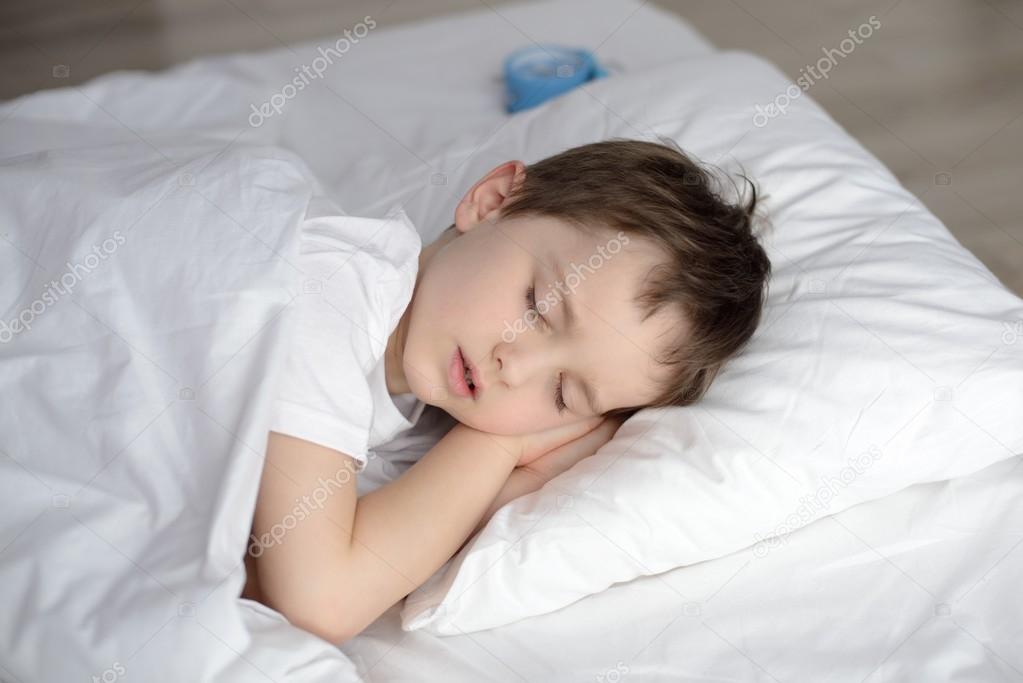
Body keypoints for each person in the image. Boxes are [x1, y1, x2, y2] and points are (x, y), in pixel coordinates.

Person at [241, 138, 772, 644]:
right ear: (492, 201)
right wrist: (499, 446)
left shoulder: (418, 426)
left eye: (563, 394)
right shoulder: (332, 284)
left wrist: (511, 454)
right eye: (538, 307)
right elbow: (318, 603)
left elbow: (256, 579)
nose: (515, 368)